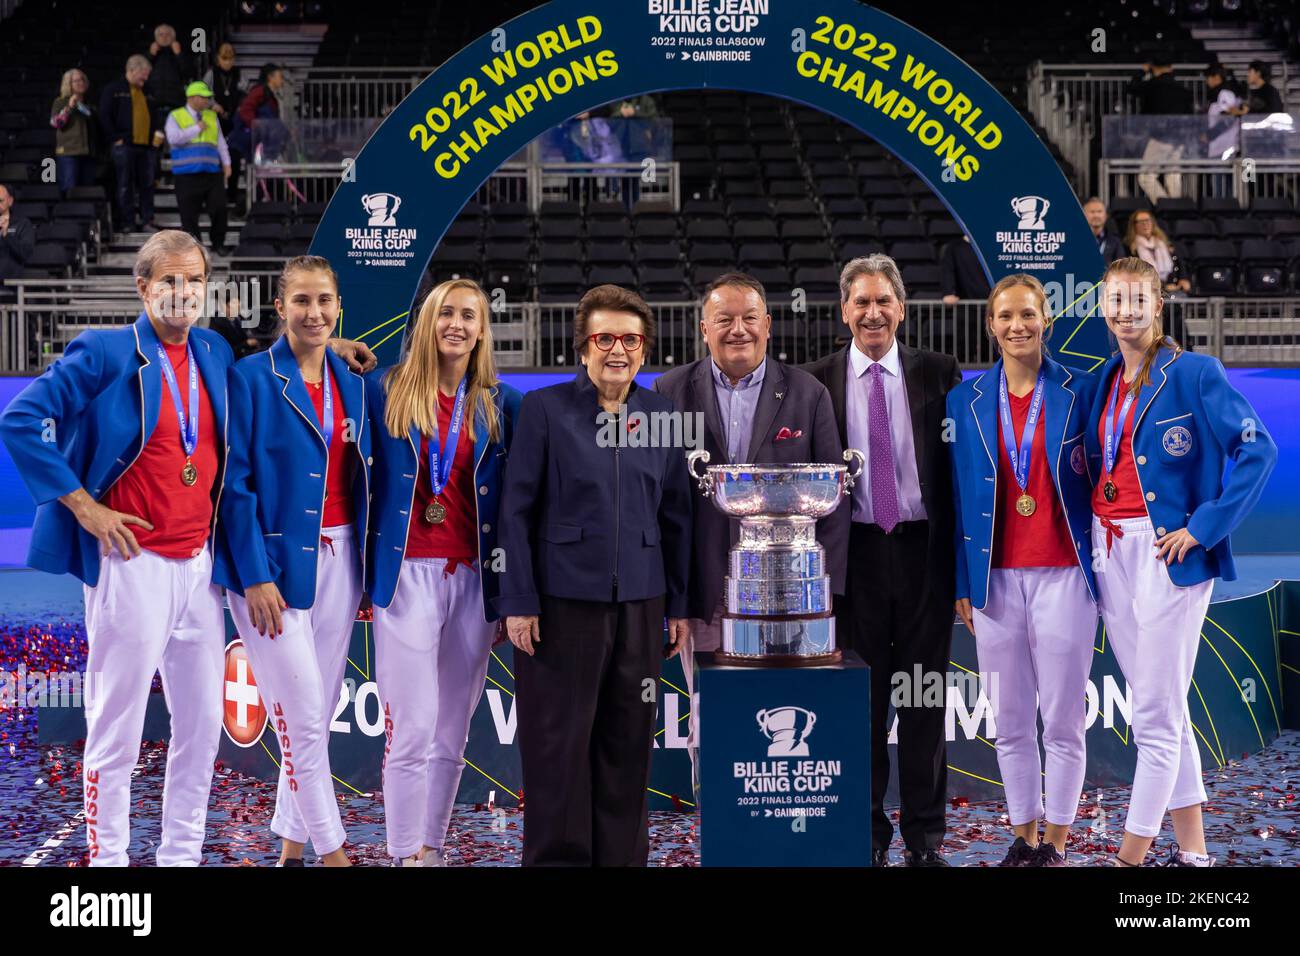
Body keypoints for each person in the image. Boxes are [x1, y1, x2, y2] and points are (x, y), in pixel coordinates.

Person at [0, 230, 233, 866]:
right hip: (132, 567)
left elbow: (265, 385)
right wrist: (86, 507)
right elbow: (19, 418)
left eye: (194, 283)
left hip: (199, 571)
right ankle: (109, 866)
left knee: (202, 729)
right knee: (117, 726)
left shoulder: (213, 349)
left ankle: (180, 856)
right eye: (170, 282)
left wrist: (332, 346)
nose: (183, 294)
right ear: (143, 286)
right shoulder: (105, 352)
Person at [1087, 256, 1276, 867]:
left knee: (1154, 720)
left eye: (1138, 299)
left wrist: (1204, 527)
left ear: (1158, 303)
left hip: (1167, 553)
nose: (1127, 311)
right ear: (1102, 306)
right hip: (1108, 549)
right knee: (1161, 705)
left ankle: (1129, 861)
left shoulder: (1195, 373)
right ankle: (1194, 853)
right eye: (1116, 300)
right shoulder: (1103, 380)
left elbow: (1258, 451)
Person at [497, 284, 693, 866]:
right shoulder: (546, 409)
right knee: (558, 749)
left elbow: (677, 514)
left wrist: (679, 605)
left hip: (641, 606)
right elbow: (515, 510)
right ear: (583, 345)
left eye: (631, 339)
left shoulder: (661, 414)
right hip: (560, 608)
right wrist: (519, 600)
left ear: (644, 349)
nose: (618, 350)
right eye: (605, 337)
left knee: (627, 746)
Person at [652, 272, 846, 792]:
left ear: (768, 324)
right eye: (724, 320)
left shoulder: (808, 392)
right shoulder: (668, 391)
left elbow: (836, 502)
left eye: (749, 318)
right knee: (710, 720)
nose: (738, 329)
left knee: (789, 722)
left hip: (792, 600)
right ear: (703, 328)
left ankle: (780, 833)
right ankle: (720, 835)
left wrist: (826, 596)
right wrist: (675, 597)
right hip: (706, 592)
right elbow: (662, 501)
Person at [803, 254, 962, 867]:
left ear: (901, 308)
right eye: (860, 302)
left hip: (923, 554)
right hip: (854, 557)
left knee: (923, 703)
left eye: (883, 301)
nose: (873, 312)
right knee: (862, 706)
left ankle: (926, 841)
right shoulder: (817, 382)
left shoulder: (942, 374)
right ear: (844, 311)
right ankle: (866, 837)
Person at [214, 256, 368, 868]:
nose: (315, 312)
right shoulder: (249, 377)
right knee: (302, 719)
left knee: (315, 715)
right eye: (302, 301)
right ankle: (335, 855)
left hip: (341, 560)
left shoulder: (353, 380)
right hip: (270, 571)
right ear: (280, 308)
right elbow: (234, 484)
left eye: (325, 301)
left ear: (338, 308)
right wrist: (252, 573)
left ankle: (290, 850)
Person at [366, 278, 523, 867]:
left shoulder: (500, 404)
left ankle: (430, 850)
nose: (456, 324)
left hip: (474, 582)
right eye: (445, 313)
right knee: (411, 729)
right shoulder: (384, 391)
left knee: (452, 734)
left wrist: (513, 594)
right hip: (405, 576)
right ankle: (402, 853)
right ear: (428, 323)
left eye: (468, 315)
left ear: (482, 329)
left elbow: (517, 503)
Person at [948, 274, 1100, 867]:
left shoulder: (1080, 391)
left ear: (1047, 321)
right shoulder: (965, 401)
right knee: (1010, 720)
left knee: (1062, 720)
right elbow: (959, 496)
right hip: (995, 581)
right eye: (1006, 316)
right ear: (991, 325)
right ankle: (1023, 836)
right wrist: (963, 581)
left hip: (1065, 573)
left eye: (1028, 315)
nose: (1018, 326)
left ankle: (1056, 844)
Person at [165, 81, 231, 255]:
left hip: (211, 173)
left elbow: (220, 142)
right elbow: (173, 138)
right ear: (192, 98)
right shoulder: (176, 115)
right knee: (189, 215)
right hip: (186, 175)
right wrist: (196, 128)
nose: (207, 101)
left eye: (208, 98)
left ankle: (218, 243)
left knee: (219, 208)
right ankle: (195, 249)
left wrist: (227, 163)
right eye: (203, 97)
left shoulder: (211, 116)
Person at [100, 55, 160, 232]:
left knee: (147, 184)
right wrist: (114, 138)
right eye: (144, 74)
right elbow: (104, 116)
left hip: (146, 146)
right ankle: (127, 222)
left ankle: (147, 220)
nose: (146, 78)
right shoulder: (113, 89)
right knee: (125, 184)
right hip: (124, 145)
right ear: (132, 70)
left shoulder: (148, 91)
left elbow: (154, 116)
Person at [1128, 61, 1193, 203]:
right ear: (1171, 67)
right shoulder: (1182, 89)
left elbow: (1132, 88)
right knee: (1173, 175)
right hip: (1180, 139)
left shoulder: (1153, 85)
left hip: (1160, 137)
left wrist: (1142, 72)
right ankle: (1176, 210)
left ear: (1153, 68)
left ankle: (1166, 205)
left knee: (1146, 177)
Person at [203, 43, 244, 201]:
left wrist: (240, 107)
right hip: (215, 121)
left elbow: (245, 92)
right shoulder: (211, 74)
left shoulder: (239, 74)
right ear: (218, 59)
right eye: (224, 59)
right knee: (215, 160)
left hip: (234, 122)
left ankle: (232, 194)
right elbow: (203, 95)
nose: (227, 62)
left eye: (230, 59)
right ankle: (215, 195)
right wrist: (213, 105)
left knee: (234, 158)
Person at [50, 69, 99, 197]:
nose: (80, 83)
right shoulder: (60, 101)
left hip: (88, 152)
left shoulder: (90, 103)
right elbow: (56, 123)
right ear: (69, 84)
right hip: (68, 152)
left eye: (82, 80)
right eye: (76, 81)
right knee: (69, 189)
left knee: (87, 190)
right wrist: (69, 108)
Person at [232, 64, 289, 166]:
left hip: (263, 140)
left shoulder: (270, 96)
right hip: (257, 139)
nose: (282, 80)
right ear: (270, 77)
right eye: (280, 76)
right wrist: (257, 127)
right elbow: (246, 109)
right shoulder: (260, 91)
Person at [1123, 210, 1189, 294]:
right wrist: (1163, 287)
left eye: (1147, 220)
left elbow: (1180, 264)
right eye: (1140, 222)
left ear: (1152, 223)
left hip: (1172, 288)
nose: (1145, 224)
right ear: (1134, 226)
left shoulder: (1165, 244)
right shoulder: (1129, 248)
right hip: (1144, 291)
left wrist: (1183, 279)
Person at [146, 23, 192, 131]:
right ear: (156, 38)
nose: (164, 37)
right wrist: (150, 55)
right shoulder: (150, 55)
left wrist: (179, 54)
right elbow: (140, 74)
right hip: (154, 105)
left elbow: (189, 72)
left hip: (175, 105)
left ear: (173, 38)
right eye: (161, 34)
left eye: (168, 34)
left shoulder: (181, 53)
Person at [0, 185, 36, 300]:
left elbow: (26, 253)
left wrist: (7, 236)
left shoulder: (23, 224)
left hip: (12, 286)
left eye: (0, 201)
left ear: (10, 201)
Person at [1082, 197, 1127, 265]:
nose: (1096, 215)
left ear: (1106, 215)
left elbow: (1121, 266)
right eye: (1092, 212)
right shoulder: (1076, 240)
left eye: (1099, 211)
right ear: (1083, 215)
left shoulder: (1115, 241)